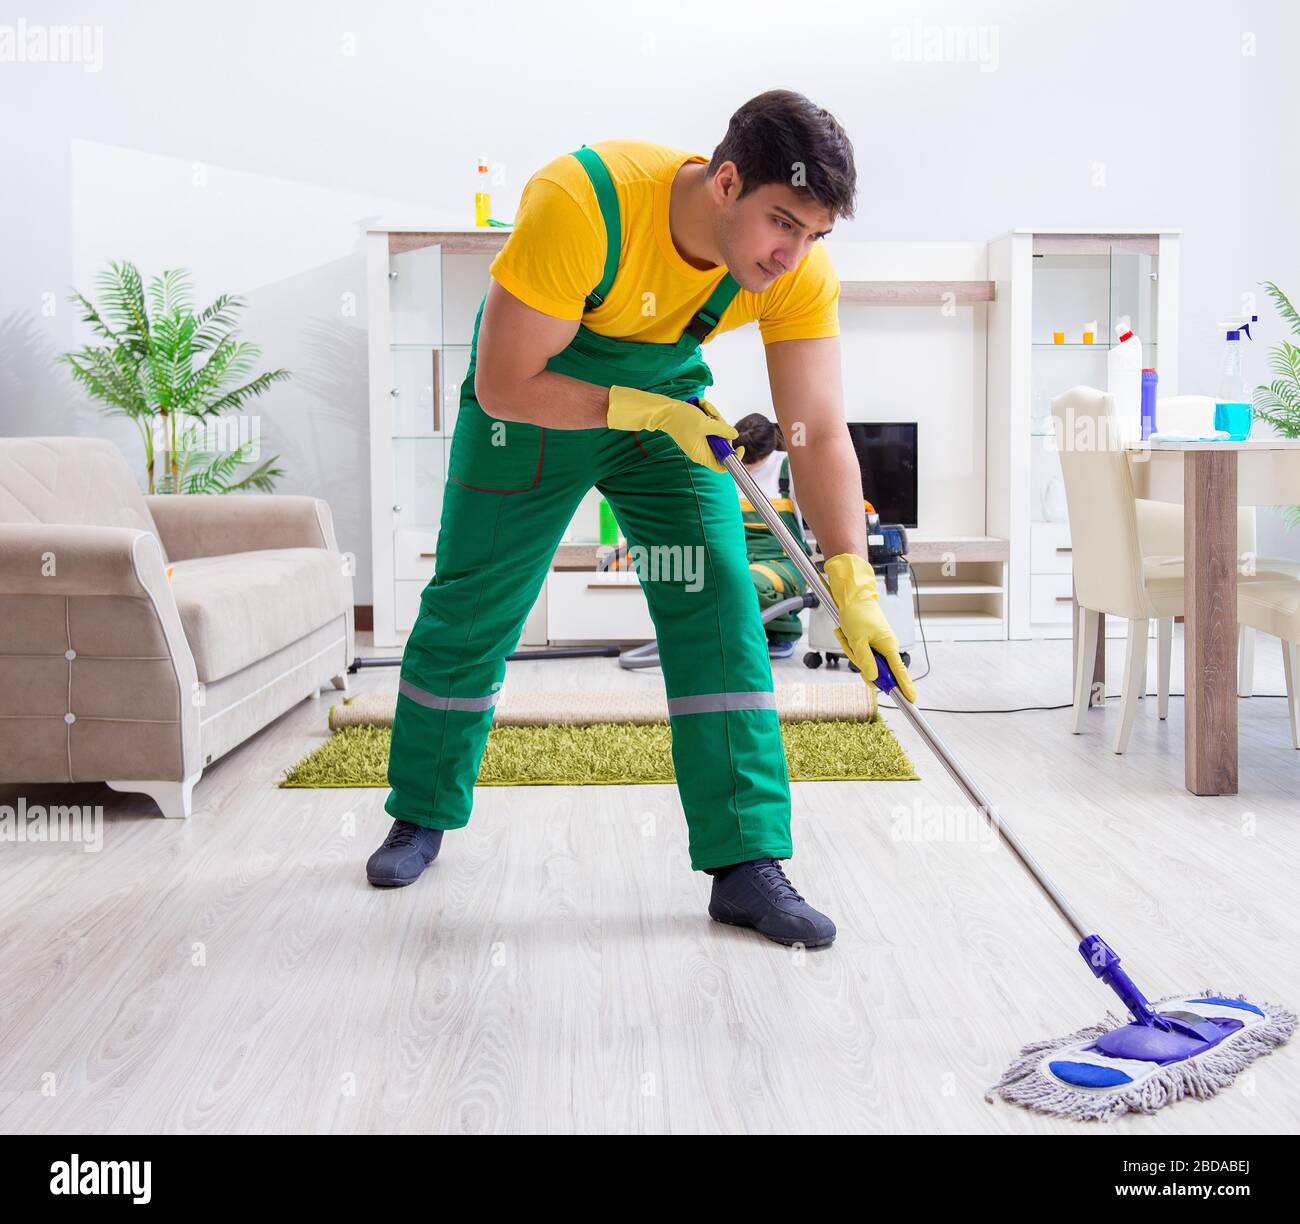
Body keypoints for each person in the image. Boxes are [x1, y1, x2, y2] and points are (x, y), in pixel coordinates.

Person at [366, 89, 916, 949]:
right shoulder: (583, 203)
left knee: (720, 600)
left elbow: (815, 428)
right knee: (474, 603)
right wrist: (645, 411)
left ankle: (746, 864)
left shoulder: (797, 271)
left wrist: (849, 576)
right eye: (782, 223)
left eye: (814, 236)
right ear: (726, 182)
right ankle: (421, 813)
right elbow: (504, 384)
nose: (793, 253)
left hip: (663, 407)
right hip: (534, 402)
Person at [733, 414, 811, 659]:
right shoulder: (728, 467)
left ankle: (785, 632)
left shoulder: (789, 467)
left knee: (747, 582)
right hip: (740, 558)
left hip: (785, 562)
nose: (744, 464)